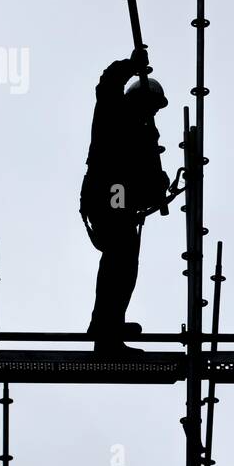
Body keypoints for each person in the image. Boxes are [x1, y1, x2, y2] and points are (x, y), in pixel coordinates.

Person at [80, 45, 171, 355]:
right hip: (108, 193)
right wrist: (130, 66)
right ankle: (106, 334)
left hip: (120, 201)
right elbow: (106, 84)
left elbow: (149, 178)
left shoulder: (145, 135)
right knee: (120, 257)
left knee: (126, 262)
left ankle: (108, 323)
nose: (153, 114)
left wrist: (159, 187)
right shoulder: (113, 111)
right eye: (152, 107)